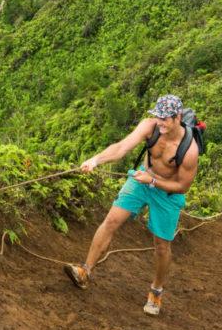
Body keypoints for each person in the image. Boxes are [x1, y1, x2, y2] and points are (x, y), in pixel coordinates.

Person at [65, 94, 200, 316]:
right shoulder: (151, 127)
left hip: (167, 193)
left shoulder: (189, 149)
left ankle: (156, 291)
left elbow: (182, 186)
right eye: (158, 117)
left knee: (161, 245)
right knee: (111, 220)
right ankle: (85, 271)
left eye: (165, 119)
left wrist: (154, 182)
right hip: (141, 179)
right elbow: (121, 147)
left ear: (177, 117)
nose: (160, 123)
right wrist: (95, 160)